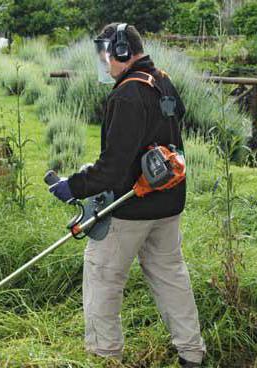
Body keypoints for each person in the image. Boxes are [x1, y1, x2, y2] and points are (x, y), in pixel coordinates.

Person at [48, 23, 206, 367]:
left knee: (103, 277)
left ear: (120, 51)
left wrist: (72, 186)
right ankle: (192, 354)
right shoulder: (162, 81)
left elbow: (114, 168)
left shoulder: (126, 94)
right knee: (171, 276)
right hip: (168, 201)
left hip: (130, 208)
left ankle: (105, 356)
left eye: (106, 56)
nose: (105, 64)